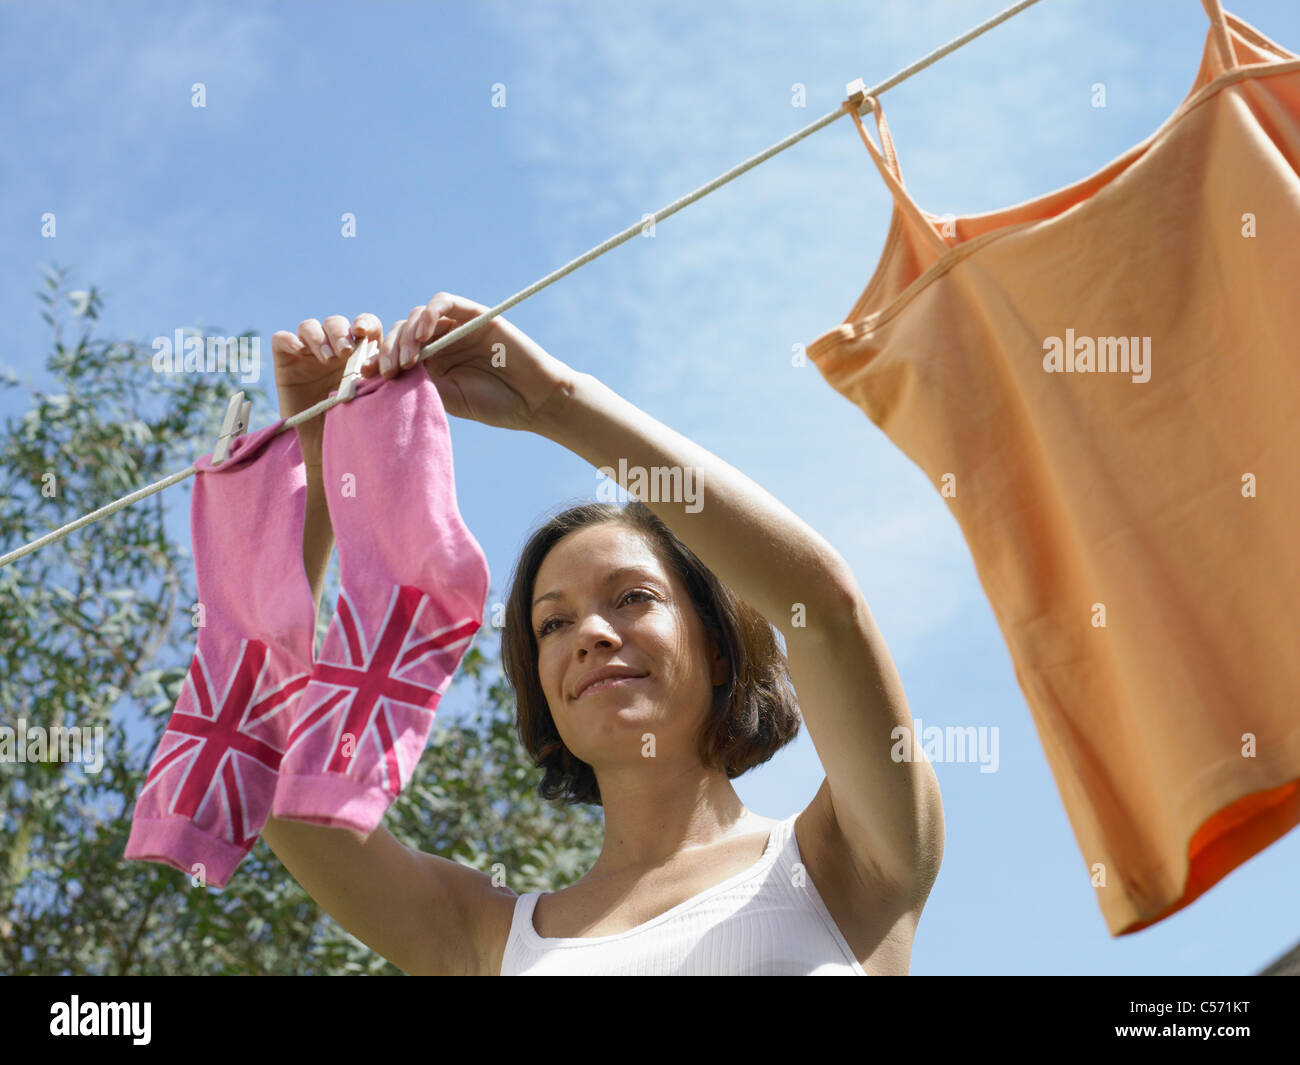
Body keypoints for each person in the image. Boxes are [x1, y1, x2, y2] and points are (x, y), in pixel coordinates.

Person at [263, 295, 944, 975]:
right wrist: (321, 462)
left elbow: (823, 609)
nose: (589, 632)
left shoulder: (844, 860)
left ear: (716, 646)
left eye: (632, 597)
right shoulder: (488, 937)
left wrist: (554, 400)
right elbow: (261, 771)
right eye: (552, 622)